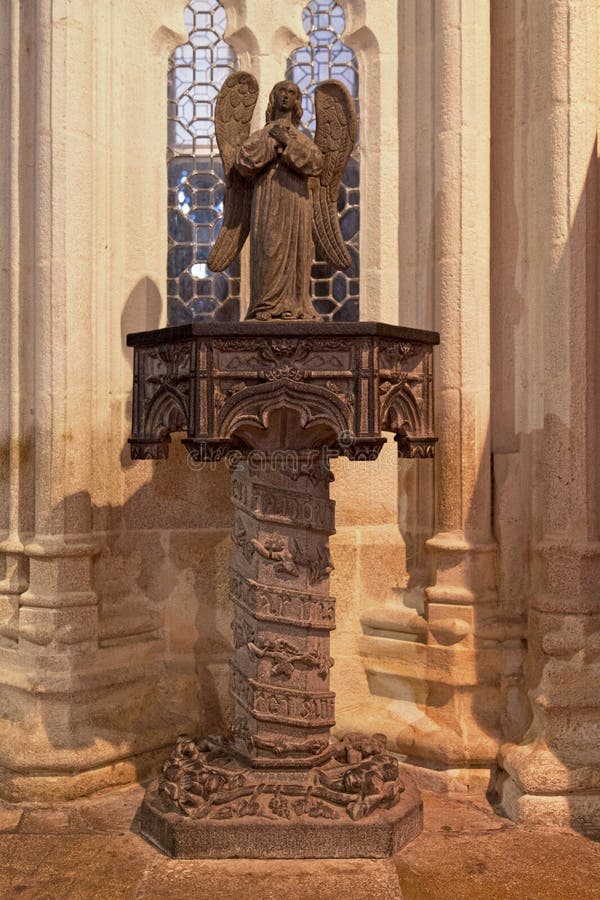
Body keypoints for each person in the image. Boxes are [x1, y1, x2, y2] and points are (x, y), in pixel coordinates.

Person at [234, 81, 324, 320]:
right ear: (274, 98)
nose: (286, 96)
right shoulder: (262, 135)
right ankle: (265, 305)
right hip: (269, 198)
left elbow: (316, 162)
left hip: (296, 201)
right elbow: (244, 161)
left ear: (297, 102)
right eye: (282, 92)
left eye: (292, 93)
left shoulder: (299, 138)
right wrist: (273, 143)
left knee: (297, 250)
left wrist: (287, 143)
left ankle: (294, 305)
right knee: (269, 246)